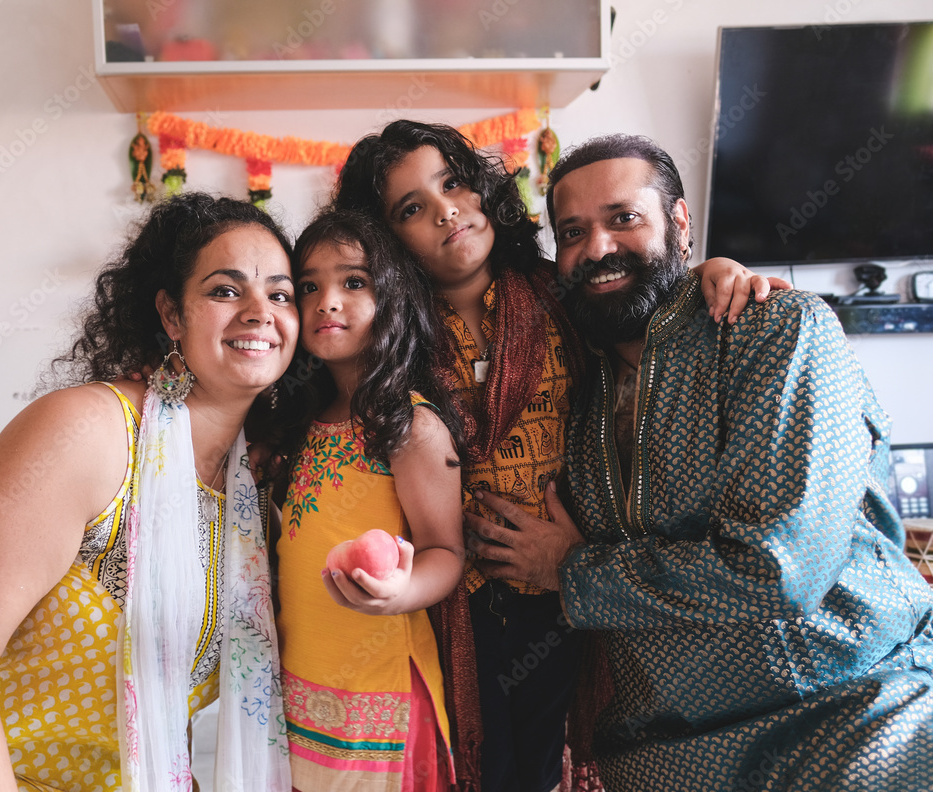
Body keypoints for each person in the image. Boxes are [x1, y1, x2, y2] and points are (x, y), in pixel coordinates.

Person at [465, 133, 933, 792]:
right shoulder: (577, 390)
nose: (597, 248)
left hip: (850, 727)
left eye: (623, 218)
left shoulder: (776, 331)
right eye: (572, 232)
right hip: (665, 761)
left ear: (680, 224)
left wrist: (570, 570)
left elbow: (775, 567)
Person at [333, 120, 786, 792]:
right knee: (481, 762)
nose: (445, 211)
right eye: (411, 209)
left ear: (484, 187)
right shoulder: (397, 330)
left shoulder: (561, 293)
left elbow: (646, 308)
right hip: (454, 587)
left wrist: (712, 272)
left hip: (565, 581)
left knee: (555, 758)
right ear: (387, 238)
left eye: (452, 183)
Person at [0, 193, 296, 792]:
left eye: (280, 295)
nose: (260, 312)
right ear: (172, 315)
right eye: (226, 290)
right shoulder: (87, 433)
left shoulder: (254, 498)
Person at [275, 208, 466, 792]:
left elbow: (445, 551)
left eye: (354, 282)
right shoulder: (300, 421)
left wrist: (400, 593)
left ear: (393, 299)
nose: (327, 301)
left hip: (380, 697)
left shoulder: (411, 426)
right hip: (305, 682)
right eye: (309, 287)